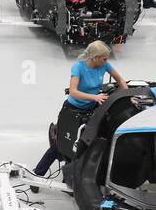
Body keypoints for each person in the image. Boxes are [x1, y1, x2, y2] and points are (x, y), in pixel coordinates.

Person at [32, 40, 128, 177]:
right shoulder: (78, 67)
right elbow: (73, 91)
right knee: (60, 144)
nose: (107, 61)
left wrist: (127, 95)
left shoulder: (104, 65)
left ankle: (72, 173)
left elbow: (120, 80)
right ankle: (38, 173)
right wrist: (94, 97)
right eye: (104, 58)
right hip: (72, 110)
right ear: (95, 57)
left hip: (90, 109)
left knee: (84, 142)